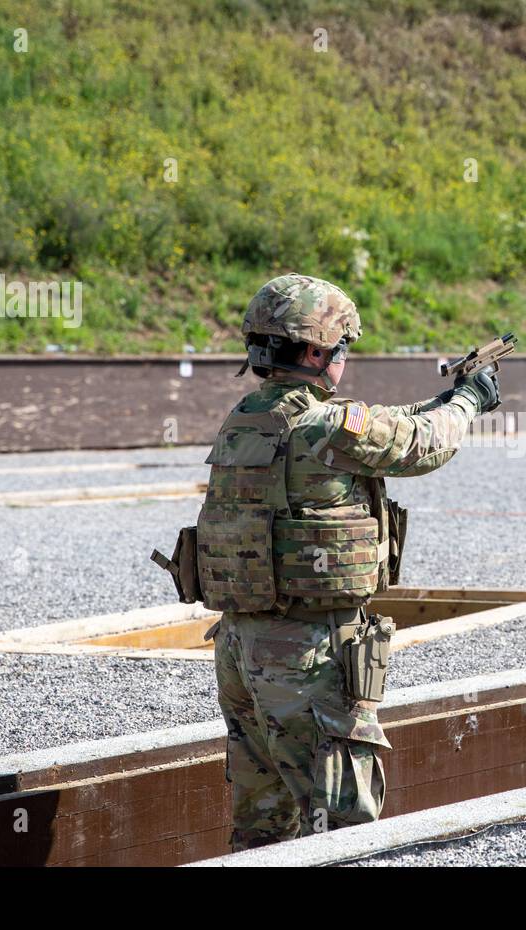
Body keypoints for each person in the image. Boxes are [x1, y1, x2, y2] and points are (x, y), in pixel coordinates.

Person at [199, 273, 500, 849]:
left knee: (265, 826)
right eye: (341, 348)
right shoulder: (328, 426)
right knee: (345, 830)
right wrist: (469, 400)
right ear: (314, 350)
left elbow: (388, 424)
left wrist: (441, 400)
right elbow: (420, 443)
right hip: (307, 656)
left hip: (241, 648)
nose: (343, 360)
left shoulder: (244, 420)